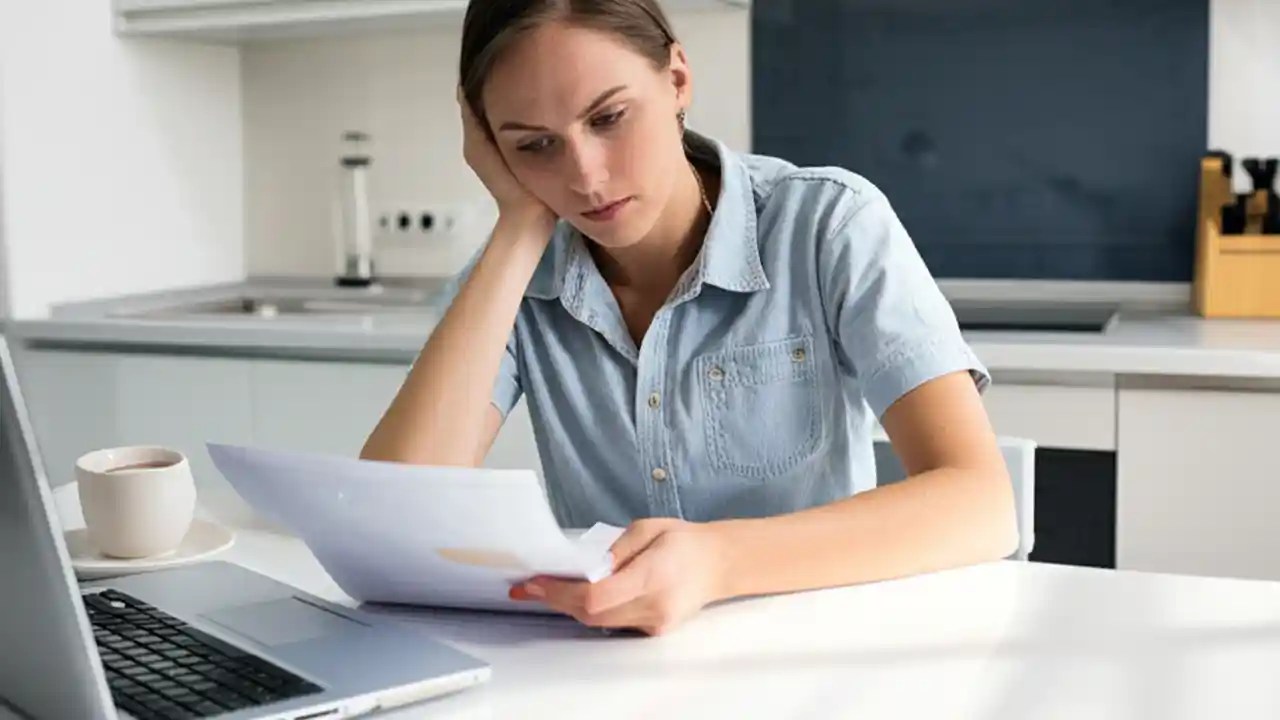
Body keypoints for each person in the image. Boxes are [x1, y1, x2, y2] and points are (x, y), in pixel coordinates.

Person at [362, 0, 1016, 636]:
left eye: (609, 117)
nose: (585, 176)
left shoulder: (826, 225)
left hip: (815, 651)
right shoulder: (513, 278)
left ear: (676, 79)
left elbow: (981, 506)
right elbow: (393, 519)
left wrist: (715, 560)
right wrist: (516, 224)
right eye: (535, 146)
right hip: (603, 672)